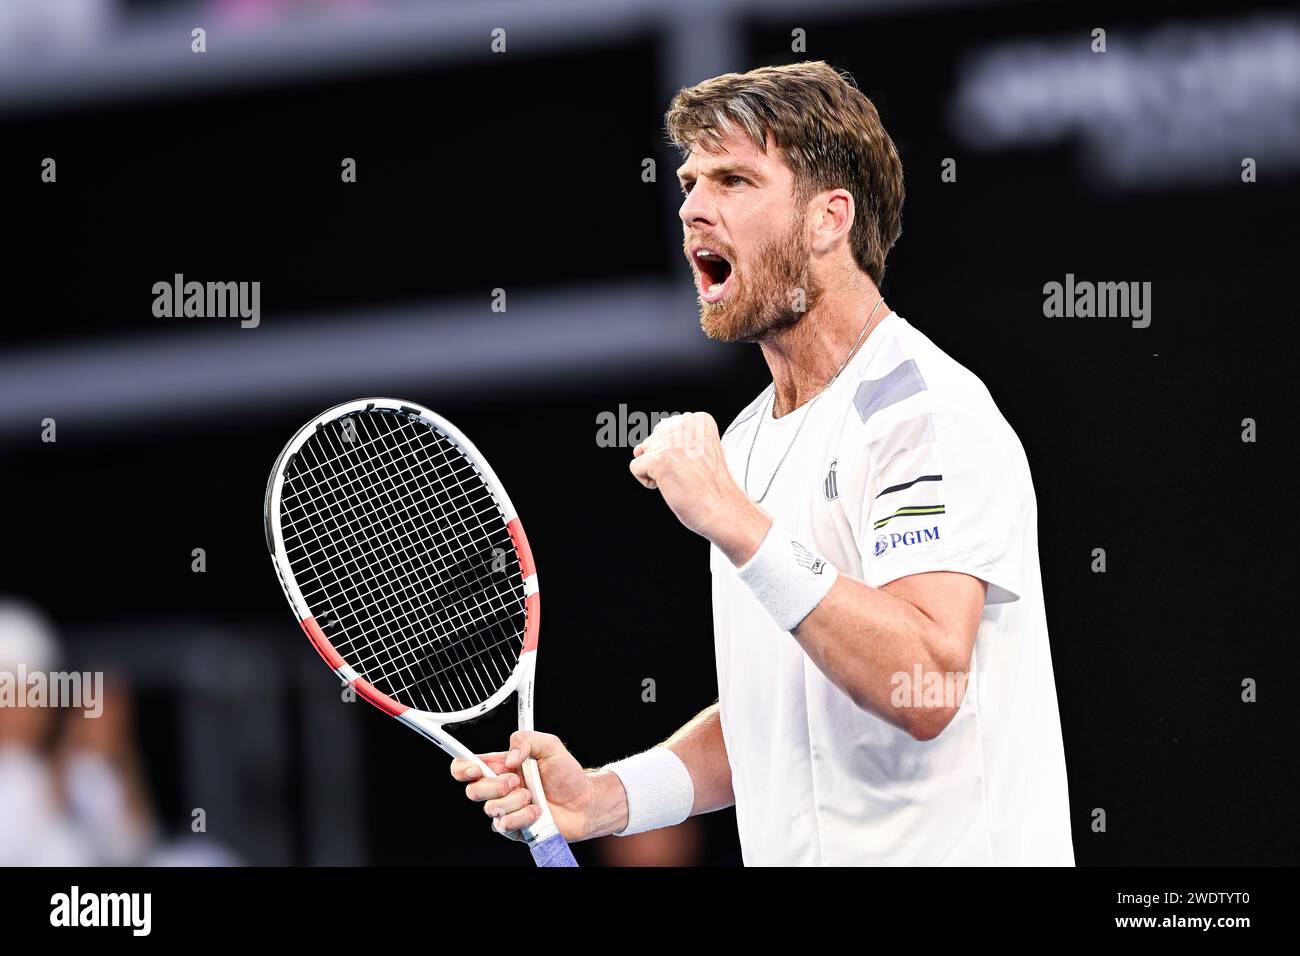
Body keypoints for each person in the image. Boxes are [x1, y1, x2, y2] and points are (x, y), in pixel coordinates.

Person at [451, 61, 1074, 865]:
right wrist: (610, 797)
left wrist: (735, 522)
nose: (692, 208)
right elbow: (780, 713)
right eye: (690, 180)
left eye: (735, 180)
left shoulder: (923, 413)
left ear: (828, 219)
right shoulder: (744, 444)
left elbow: (925, 684)